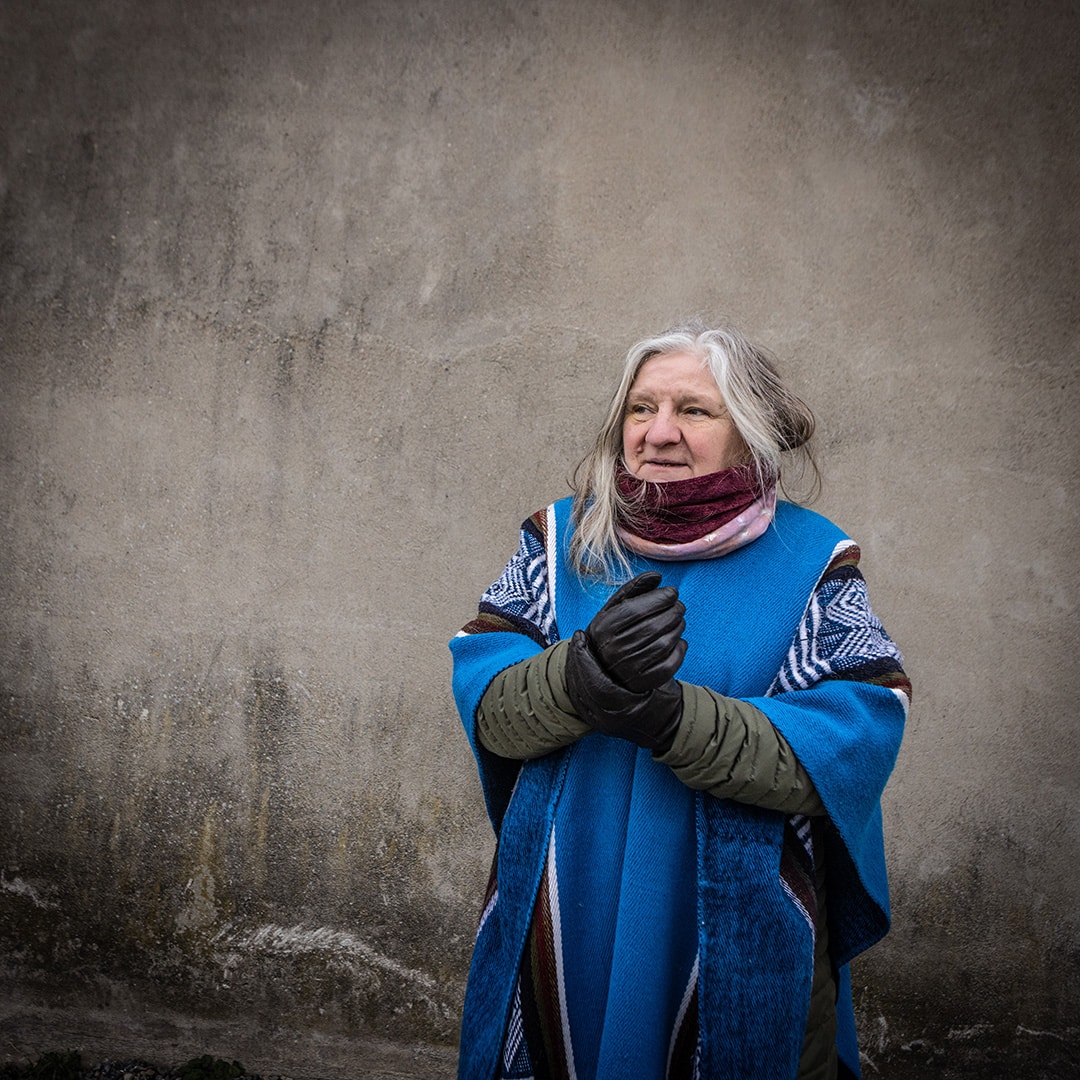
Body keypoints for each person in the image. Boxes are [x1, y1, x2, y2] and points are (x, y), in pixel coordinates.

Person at [449, 321, 910, 1080]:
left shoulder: (813, 561)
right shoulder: (559, 542)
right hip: (564, 899)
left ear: (749, 433)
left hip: (734, 915)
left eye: (694, 410)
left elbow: (858, 735)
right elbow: (489, 705)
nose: (658, 432)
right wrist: (578, 677)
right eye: (641, 408)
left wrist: (672, 718)